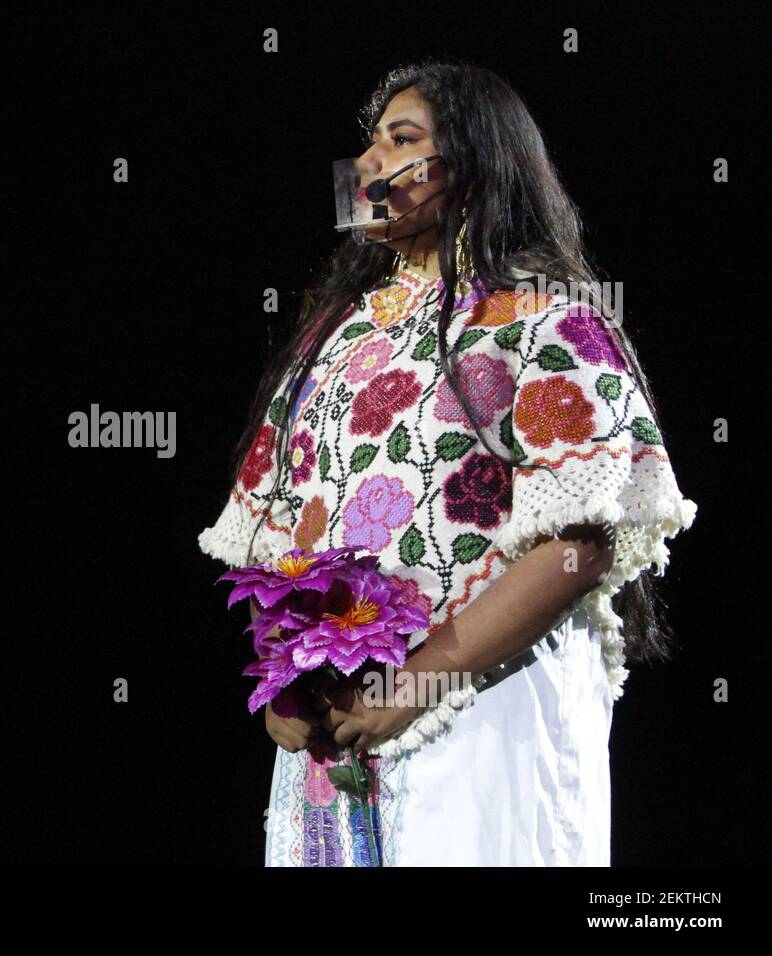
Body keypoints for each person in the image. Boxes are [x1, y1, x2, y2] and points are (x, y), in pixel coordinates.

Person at [196, 59, 698, 866]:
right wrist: (283, 680)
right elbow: (273, 535)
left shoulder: (545, 319)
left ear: (476, 162)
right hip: (342, 726)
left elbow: (585, 536)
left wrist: (428, 672)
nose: (369, 165)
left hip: (486, 709)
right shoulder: (335, 334)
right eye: (369, 144)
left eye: (402, 140)